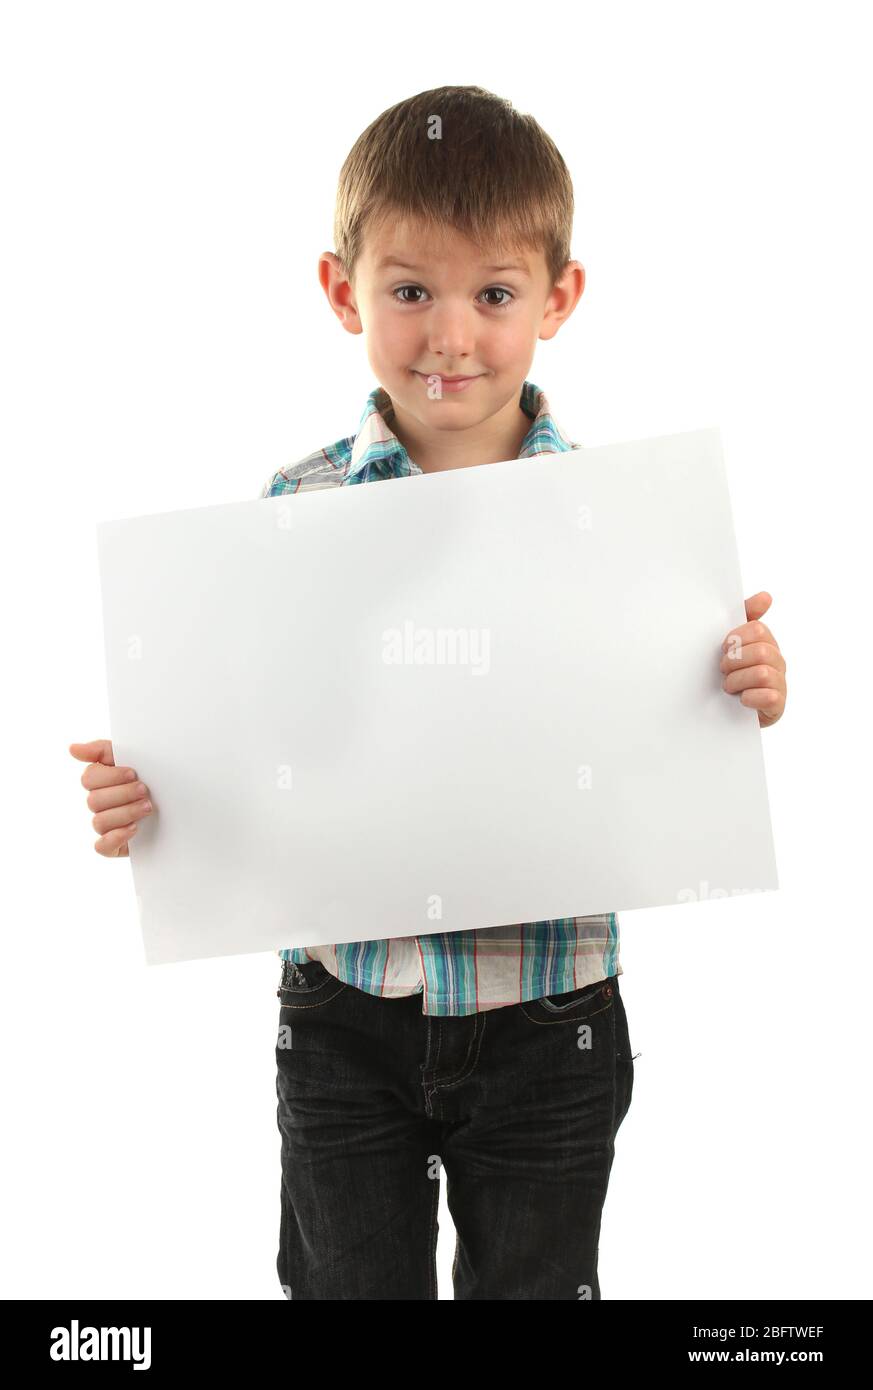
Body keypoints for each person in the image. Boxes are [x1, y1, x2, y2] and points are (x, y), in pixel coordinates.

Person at [69, 84, 787, 1300]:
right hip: (345, 1015)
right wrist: (151, 797)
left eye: (493, 294)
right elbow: (258, 736)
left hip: (550, 1012)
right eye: (410, 291)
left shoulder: (630, 532)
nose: (450, 336)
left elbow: (674, 727)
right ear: (342, 290)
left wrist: (747, 688)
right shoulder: (292, 516)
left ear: (557, 298)